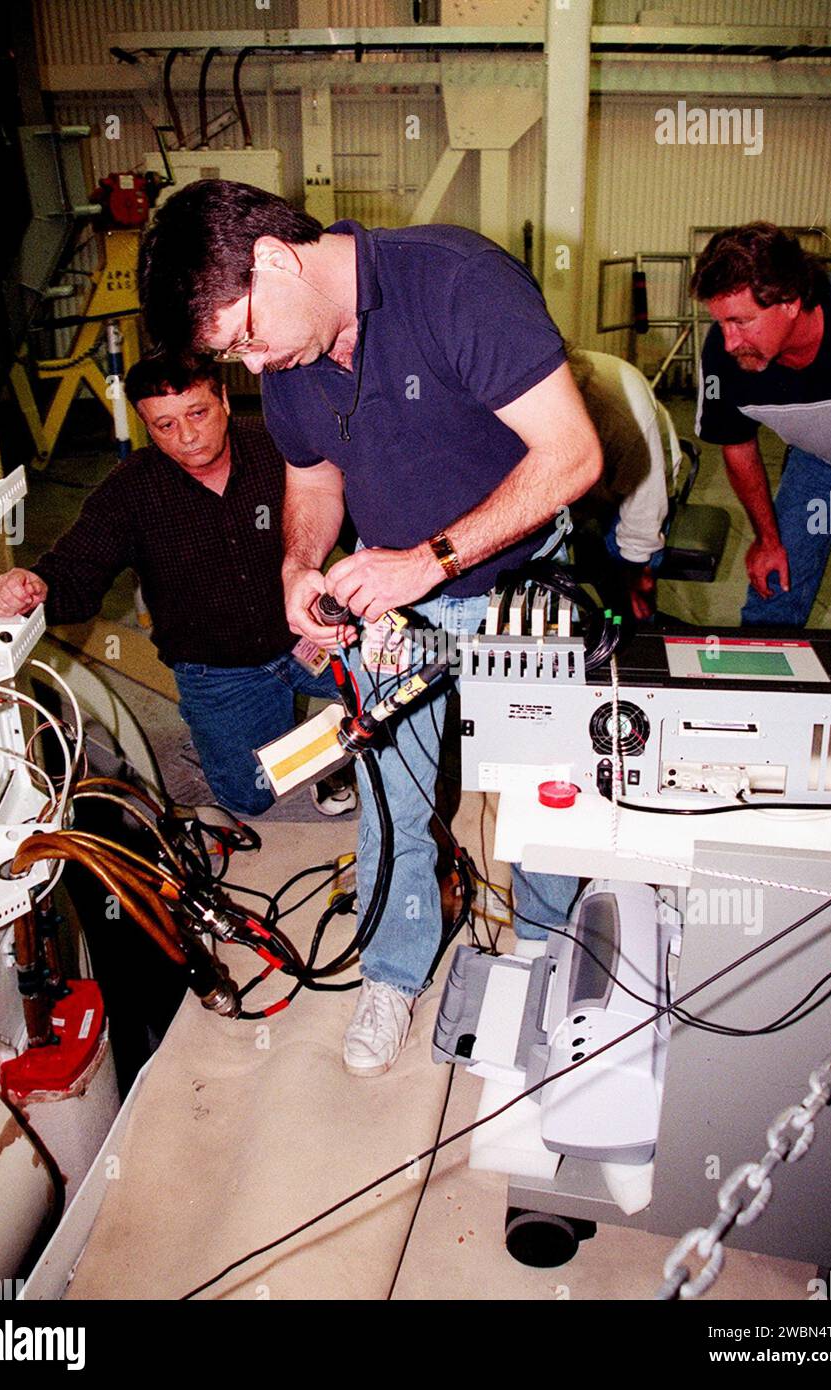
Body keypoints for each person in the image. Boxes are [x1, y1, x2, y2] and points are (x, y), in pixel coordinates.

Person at [138, 181, 603, 1075]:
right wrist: (298, 567)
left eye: (242, 337)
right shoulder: (290, 360)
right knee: (391, 792)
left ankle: (553, 956)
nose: (252, 365)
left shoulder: (457, 282)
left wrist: (427, 561)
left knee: (548, 788)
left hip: (518, 586)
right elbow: (314, 485)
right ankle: (394, 969)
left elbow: (573, 454)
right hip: (395, 599)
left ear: (272, 261)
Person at [0, 353, 356, 819]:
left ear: (223, 398)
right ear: (145, 425)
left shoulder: (277, 447)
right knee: (250, 797)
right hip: (219, 670)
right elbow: (77, 567)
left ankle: (333, 746)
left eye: (197, 413)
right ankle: (237, 730)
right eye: (164, 425)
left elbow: (352, 515)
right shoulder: (131, 489)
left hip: (307, 634)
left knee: (402, 677)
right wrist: (34, 584)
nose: (186, 436)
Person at [690, 221, 831, 628]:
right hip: (823, 460)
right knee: (773, 594)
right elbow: (738, 446)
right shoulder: (723, 358)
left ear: (790, 300)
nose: (729, 342)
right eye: (722, 323)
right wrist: (766, 539)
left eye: (741, 322)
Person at [565, 348, 671, 622]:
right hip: (576, 480)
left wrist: (637, 567)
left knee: (628, 604)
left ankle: (635, 648)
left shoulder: (626, 417)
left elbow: (646, 501)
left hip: (638, 483)